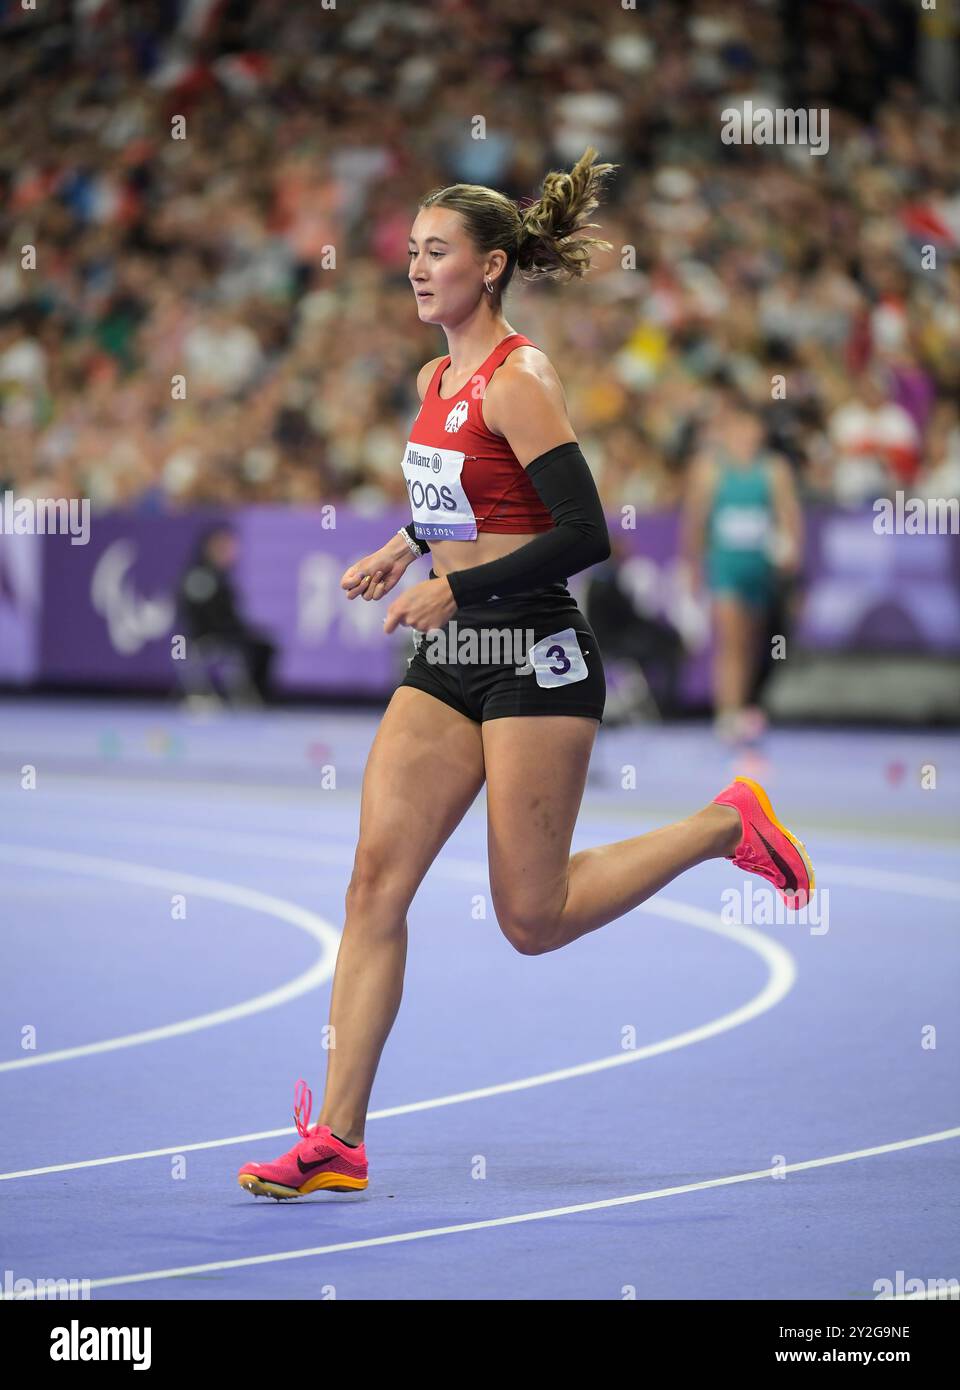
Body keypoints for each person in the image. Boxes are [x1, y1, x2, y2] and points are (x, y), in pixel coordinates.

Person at [237, 149, 814, 1201]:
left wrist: (457, 590)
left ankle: (728, 821)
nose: (416, 269)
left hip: (534, 652)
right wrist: (407, 544)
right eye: (410, 251)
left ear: (492, 266)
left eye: (437, 253)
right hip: (450, 657)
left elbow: (586, 530)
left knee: (531, 918)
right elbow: (470, 499)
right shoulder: (434, 378)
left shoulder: (520, 378)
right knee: (373, 882)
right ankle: (340, 1139)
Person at [681, 400, 804, 741]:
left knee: (750, 643)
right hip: (725, 567)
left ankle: (743, 708)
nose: (744, 437)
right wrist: (692, 565)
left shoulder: (774, 469)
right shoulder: (710, 469)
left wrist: (791, 551)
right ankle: (727, 714)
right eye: (737, 430)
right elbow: (695, 521)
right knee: (730, 640)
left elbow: (789, 515)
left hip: (759, 568)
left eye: (750, 429)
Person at [175, 524, 275, 703]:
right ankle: (246, 696)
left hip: (226, 632)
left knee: (266, 646)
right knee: (255, 648)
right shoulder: (200, 576)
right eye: (223, 548)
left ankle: (259, 696)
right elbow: (203, 616)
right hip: (207, 636)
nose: (229, 553)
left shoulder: (220, 576)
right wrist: (233, 631)